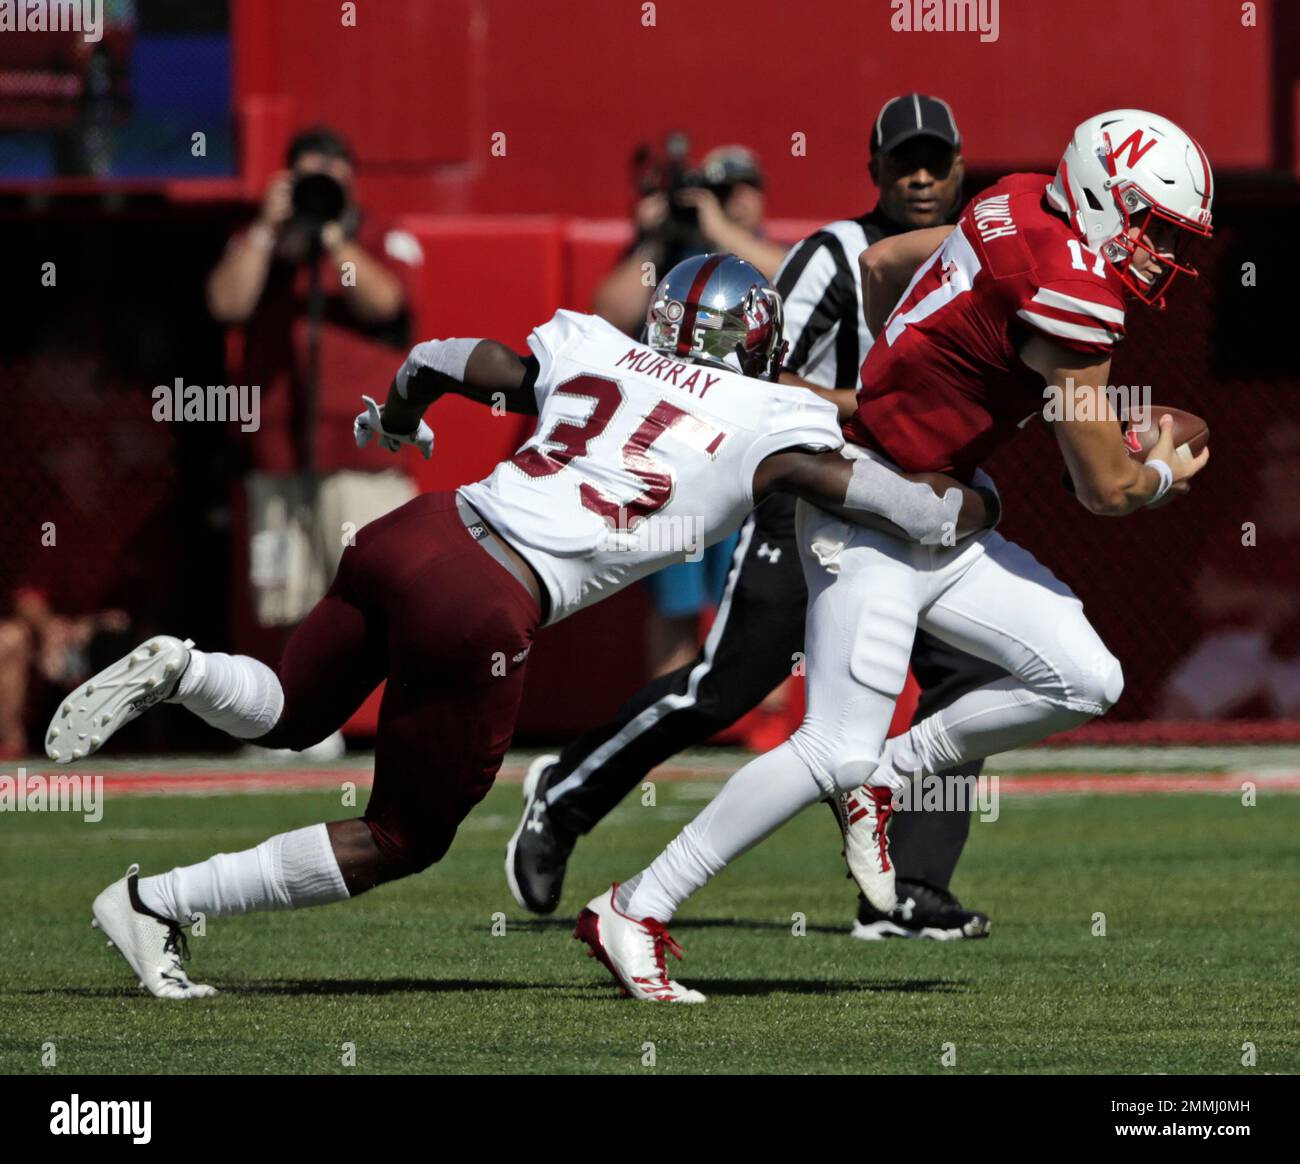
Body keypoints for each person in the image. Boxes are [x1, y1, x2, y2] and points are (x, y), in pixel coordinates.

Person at [45, 256, 998, 998]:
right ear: (757, 340)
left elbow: (441, 361)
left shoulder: (593, 346)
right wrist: (985, 498)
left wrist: (405, 420)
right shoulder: (774, 415)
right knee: (401, 839)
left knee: (290, 710)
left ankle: (183, 668)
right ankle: (154, 906)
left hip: (414, 530)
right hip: (487, 598)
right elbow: (915, 513)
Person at [577, 109, 1213, 1002]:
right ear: (1107, 197)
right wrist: (1159, 475)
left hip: (931, 505)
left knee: (1085, 676)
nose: (1159, 254)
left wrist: (909, 373)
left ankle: (893, 776)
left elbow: (882, 264)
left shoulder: (1019, 200)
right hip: (871, 510)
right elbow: (1101, 489)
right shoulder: (1074, 286)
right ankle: (635, 906)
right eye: (1151, 227)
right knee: (829, 746)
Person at [508, 93, 998, 941]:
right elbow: (764, 372)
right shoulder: (835, 254)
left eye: (936, 161)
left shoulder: (981, 262)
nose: (920, 177)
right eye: (904, 161)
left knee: (973, 673)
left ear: (960, 169)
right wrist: (869, 420)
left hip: (914, 514)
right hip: (811, 503)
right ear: (874, 171)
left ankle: (910, 889)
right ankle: (564, 794)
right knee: (723, 688)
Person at [206, 126, 422, 639]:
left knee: (384, 600)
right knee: (291, 612)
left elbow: (385, 302)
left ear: (352, 177)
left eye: (332, 170)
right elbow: (227, 304)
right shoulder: (261, 243)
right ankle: (316, 722)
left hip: (361, 460)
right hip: (281, 461)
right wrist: (266, 229)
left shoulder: (379, 237)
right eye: (309, 173)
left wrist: (332, 235)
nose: (321, 182)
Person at [594, 144, 788, 676]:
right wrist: (654, 239)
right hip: (671, 452)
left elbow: (791, 282)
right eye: (715, 194)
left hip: (747, 450)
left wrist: (720, 229)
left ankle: (760, 727)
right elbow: (609, 309)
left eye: (735, 191)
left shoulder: (768, 253)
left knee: (753, 595)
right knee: (674, 597)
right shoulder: (673, 260)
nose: (728, 204)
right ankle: (664, 718)